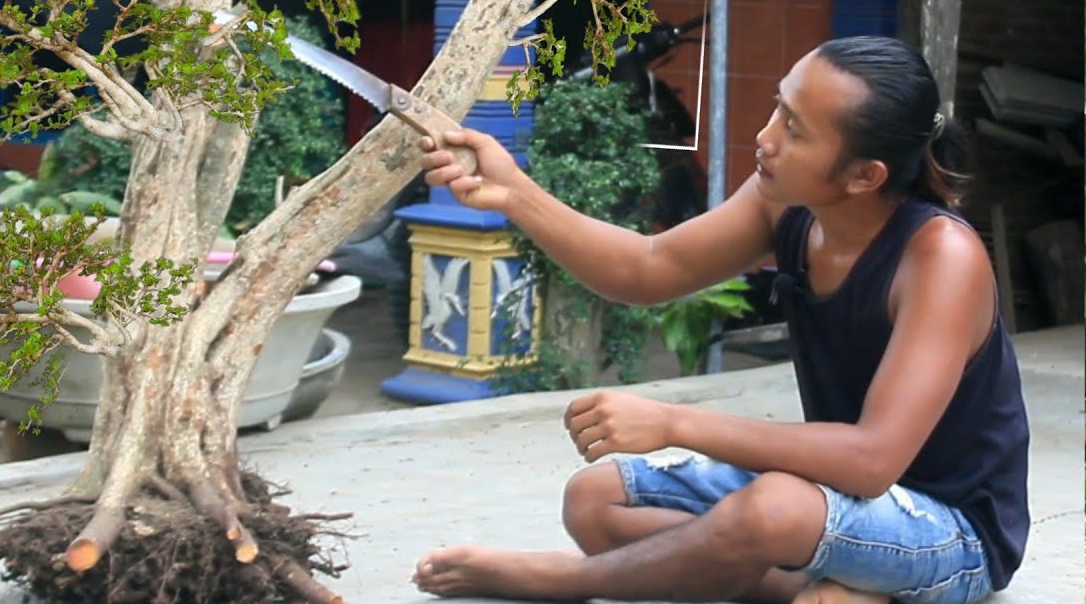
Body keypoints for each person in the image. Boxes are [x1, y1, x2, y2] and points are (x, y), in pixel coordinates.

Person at [409, 36, 1030, 604]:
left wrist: (674, 422)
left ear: (864, 176)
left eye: (795, 130)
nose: (766, 137)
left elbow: (872, 460)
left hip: (954, 532)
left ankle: (564, 580)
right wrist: (514, 192)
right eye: (778, 107)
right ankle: (831, 589)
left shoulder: (940, 257)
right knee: (596, 501)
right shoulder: (787, 205)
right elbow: (648, 267)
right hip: (831, 498)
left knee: (772, 510)